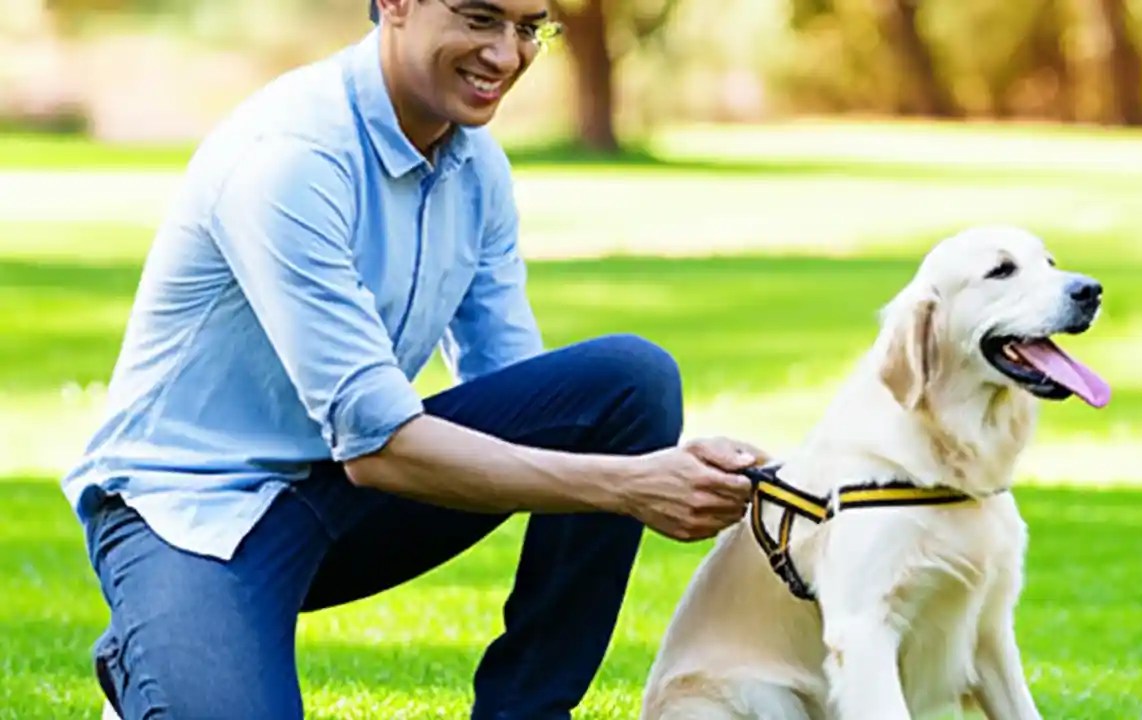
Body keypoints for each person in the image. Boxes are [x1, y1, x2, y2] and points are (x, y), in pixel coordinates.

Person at [63, 1, 769, 717]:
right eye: (478, 18)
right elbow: (382, 449)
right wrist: (627, 485)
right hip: (191, 514)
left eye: (528, 28)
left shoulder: (475, 165)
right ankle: (154, 647)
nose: (505, 55)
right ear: (395, 3)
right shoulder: (290, 157)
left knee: (629, 384)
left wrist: (684, 471)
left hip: (338, 492)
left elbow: (516, 394)